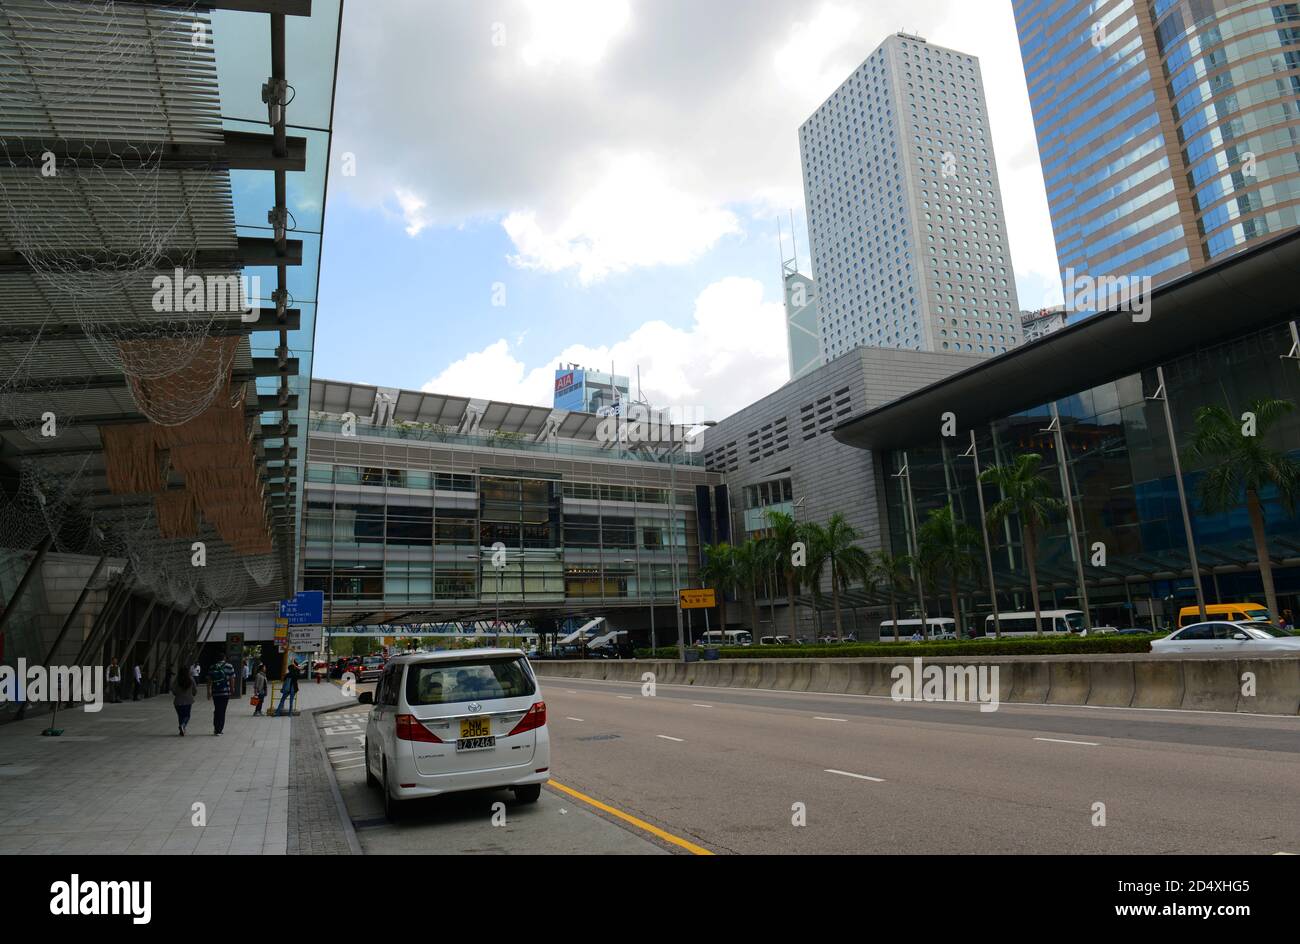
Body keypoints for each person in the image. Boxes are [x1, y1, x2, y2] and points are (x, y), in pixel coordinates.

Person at [207, 656, 235, 736]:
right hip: (225, 692)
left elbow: (209, 679)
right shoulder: (229, 666)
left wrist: (208, 691)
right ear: (224, 658)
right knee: (222, 711)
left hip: (215, 692)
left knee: (217, 709)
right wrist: (232, 689)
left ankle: (216, 728)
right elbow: (232, 678)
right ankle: (219, 730)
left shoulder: (212, 667)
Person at [172, 664, 196, 736]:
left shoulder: (177, 679)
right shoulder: (191, 679)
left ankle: (182, 730)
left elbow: (172, 688)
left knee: (180, 716)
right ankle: (183, 725)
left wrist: (176, 693)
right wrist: (193, 693)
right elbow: (194, 689)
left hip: (178, 701)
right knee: (187, 716)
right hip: (188, 701)